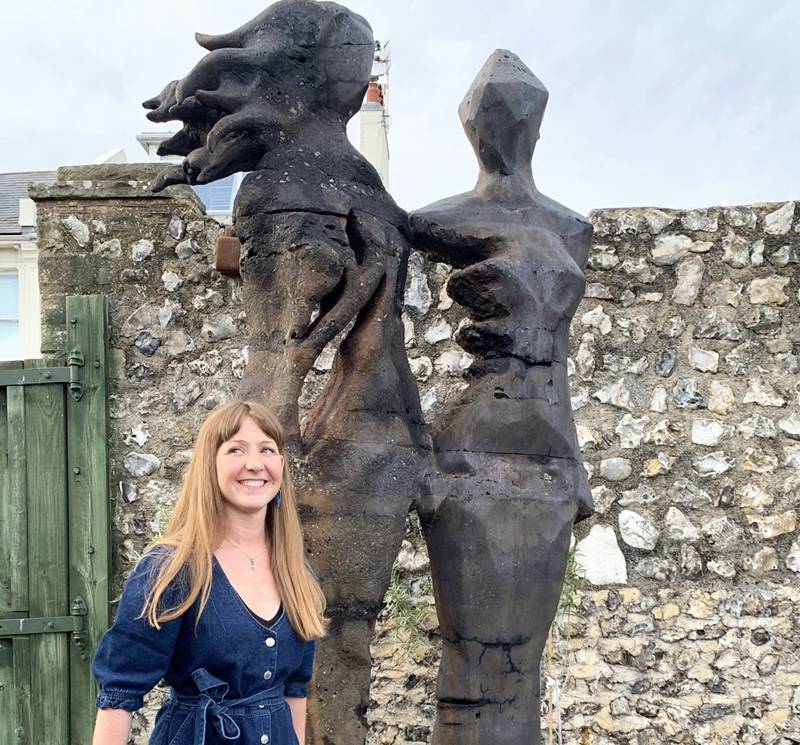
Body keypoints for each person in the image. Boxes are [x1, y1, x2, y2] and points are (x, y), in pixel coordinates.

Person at [91, 400, 327, 745]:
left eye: (267, 449)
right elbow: (119, 695)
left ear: (281, 464)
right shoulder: (171, 569)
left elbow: (295, 689)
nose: (254, 464)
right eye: (236, 450)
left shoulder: (297, 571)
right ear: (209, 465)